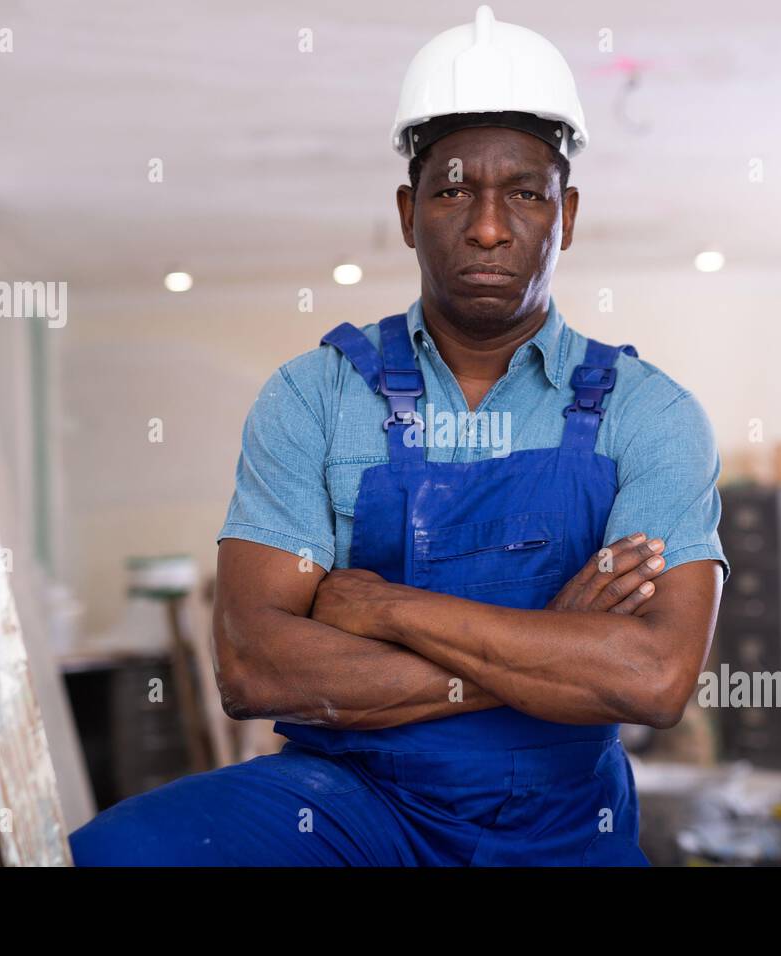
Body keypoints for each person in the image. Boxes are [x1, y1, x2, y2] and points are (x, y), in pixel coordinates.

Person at [70, 4, 729, 867]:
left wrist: (381, 608)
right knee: (127, 851)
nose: (488, 227)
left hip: (566, 822)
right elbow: (254, 668)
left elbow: (651, 678)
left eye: (524, 194)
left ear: (564, 216)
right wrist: (546, 649)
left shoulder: (650, 412)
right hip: (349, 803)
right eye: (455, 190)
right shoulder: (314, 395)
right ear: (409, 208)